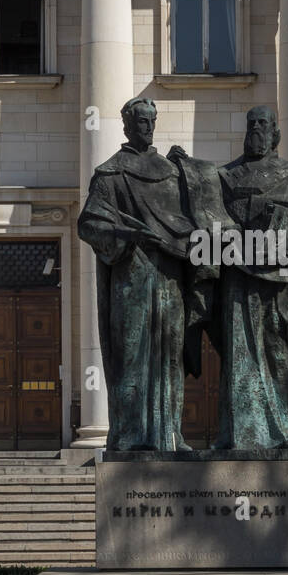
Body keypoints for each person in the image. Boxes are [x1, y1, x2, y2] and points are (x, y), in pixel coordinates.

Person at [77, 98, 197, 453]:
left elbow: (193, 219)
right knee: (132, 354)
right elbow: (90, 224)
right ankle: (130, 436)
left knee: (170, 356)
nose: (146, 127)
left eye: (151, 121)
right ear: (126, 126)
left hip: (170, 278)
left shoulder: (172, 171)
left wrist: (191, 170)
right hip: (131, 277)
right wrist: (127, 235)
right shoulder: (110, 173)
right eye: (140, 122)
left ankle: (170, 435)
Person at [212, 105, 288, 451]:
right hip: (237, 279)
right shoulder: (225, 176)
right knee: (238, 356)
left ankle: (281, 434)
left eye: (263, 125)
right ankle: (237, 435)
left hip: (277, 284)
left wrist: (285, 248)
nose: (256, 131)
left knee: (279, 352)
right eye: (251, 124)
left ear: (276, 134)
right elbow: (209, 221)